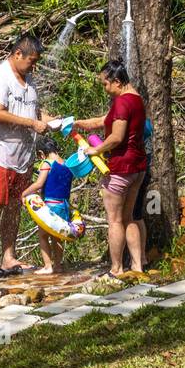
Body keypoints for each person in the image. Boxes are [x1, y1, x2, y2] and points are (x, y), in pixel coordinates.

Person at [0, 33, 49, 277]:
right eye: (31, 60)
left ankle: (9, 256)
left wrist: (53, 123)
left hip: (22, 156)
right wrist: (30, 123)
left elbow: (36, 113)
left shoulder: (29, 80)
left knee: (15, 207)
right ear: (17, 54)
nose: (34, 66)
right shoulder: (0, 77)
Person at [74, 60, 146, 276]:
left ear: (117, 82)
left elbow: (116, 137)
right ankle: (137, 266)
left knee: (114, 220)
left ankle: (116, 269)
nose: (105, 89)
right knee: (129, 217)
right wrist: (75, 123)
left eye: (105, 84)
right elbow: (104, 121)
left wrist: (96, 151)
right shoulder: (136, 99)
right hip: (137, 167)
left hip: (120, 168)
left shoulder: (122, 102)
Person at [21, 139, 75, 275]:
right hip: (63, 205)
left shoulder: (47, 163)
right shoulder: (67, 163)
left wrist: (25, 193)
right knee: (57, 236)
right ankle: (57, 265)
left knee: (43, 235)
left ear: (41, 154)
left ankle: (47, 266)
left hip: (50, 205)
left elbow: (39, 184)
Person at [131, 116, 154, 272]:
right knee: (137, 215)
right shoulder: (145, 123)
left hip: (135, 173)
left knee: (130, 217)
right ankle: (142, 258)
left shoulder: (136, 126)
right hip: (144, 172)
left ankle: (136, 261)